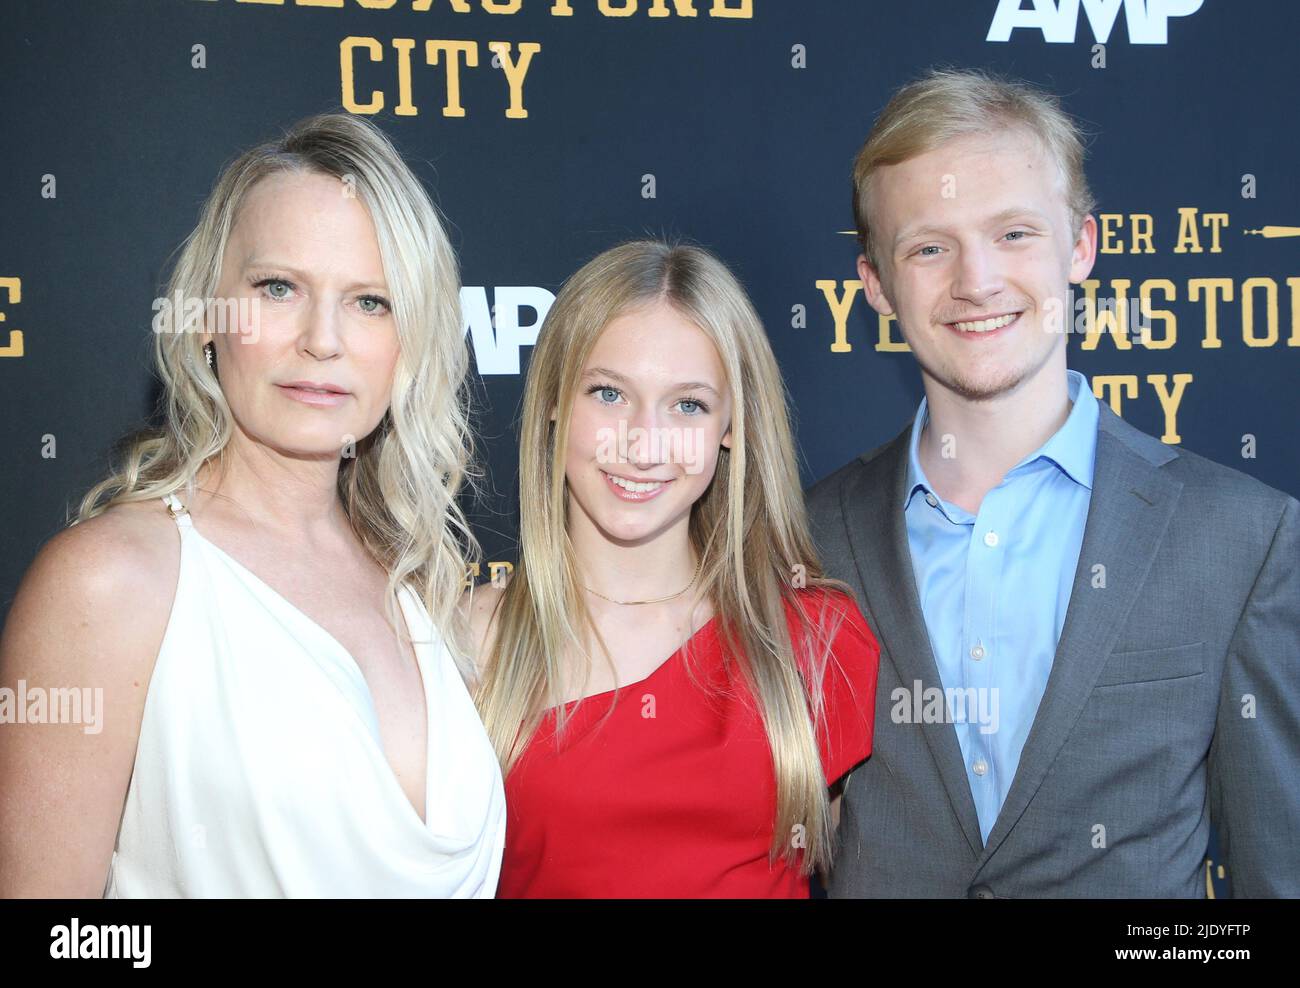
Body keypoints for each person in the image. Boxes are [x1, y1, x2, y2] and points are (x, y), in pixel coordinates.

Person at [807, 67, 1300, 897]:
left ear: (1083, 247)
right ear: (876, 287)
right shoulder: (806, 537)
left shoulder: (1240, 538)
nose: (977, 282)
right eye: (929, 247)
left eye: (1014, 235)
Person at [0, 113, 505, 897]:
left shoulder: (419, 587)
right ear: (205, 315)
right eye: (278, 288)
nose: (322, 340)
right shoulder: (113, 584)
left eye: (371, 301)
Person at [466, 240, 880, 897]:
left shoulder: (816, 638)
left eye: (687, 405)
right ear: (552, 399)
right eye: (608, 393)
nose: (642, 443)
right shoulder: (470, 639)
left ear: (731, 425)